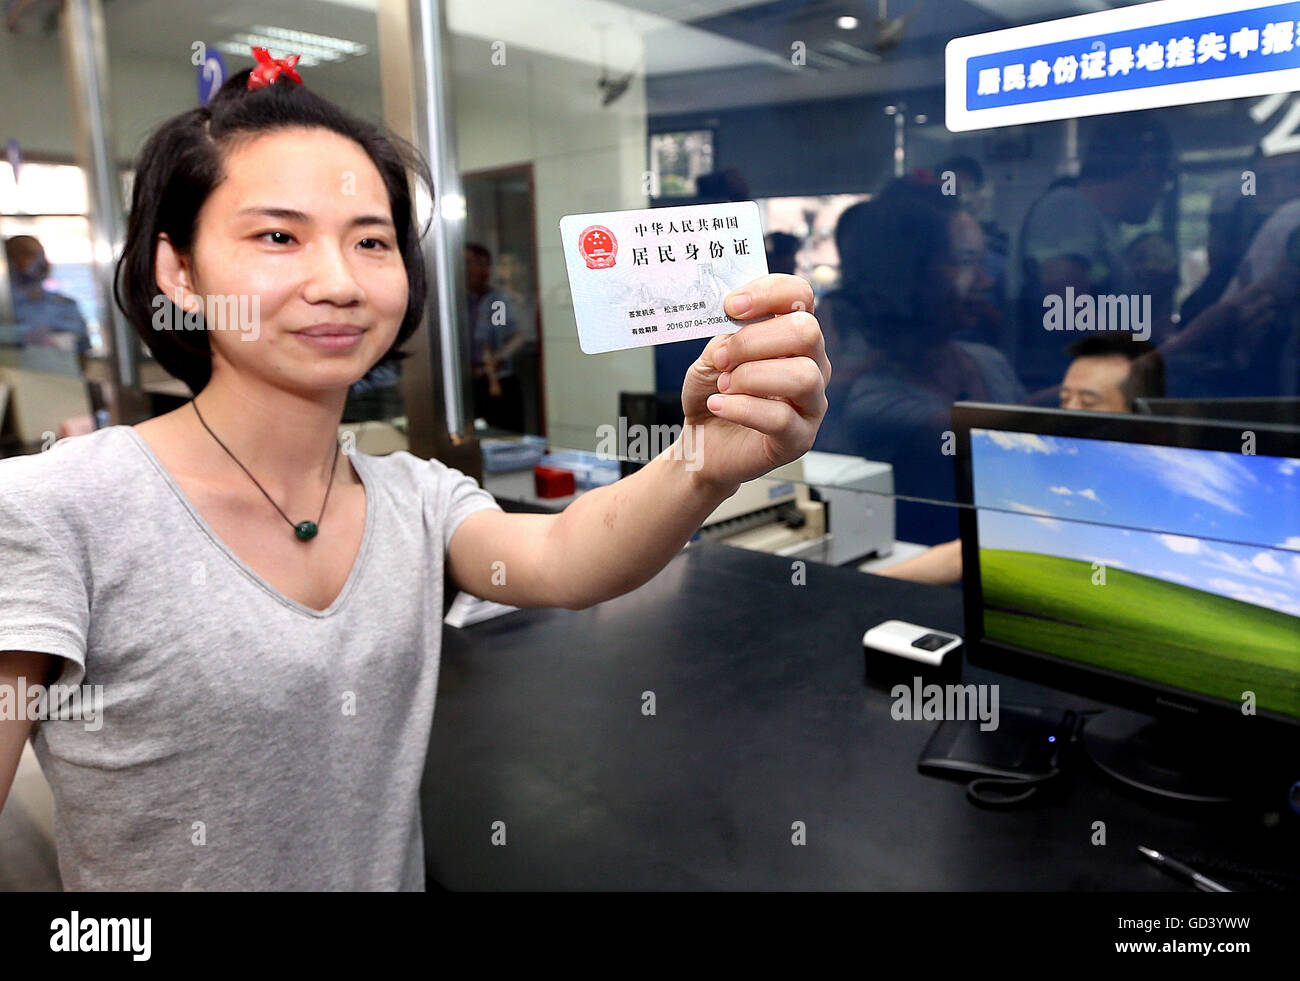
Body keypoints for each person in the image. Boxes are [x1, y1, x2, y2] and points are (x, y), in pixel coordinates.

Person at [0, 55, 830, 891]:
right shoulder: (51, 508)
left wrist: (702, 461)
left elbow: (567, 557)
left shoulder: (411, 492)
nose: (339, 281)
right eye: (278, 236)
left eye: (372, 241)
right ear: (178, 270)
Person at [814, 175, 1025, 546]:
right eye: (964, 262)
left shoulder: (987, 361)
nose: (985, 282)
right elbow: (998, 443)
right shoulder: (871, 398)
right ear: (908, 274)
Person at [876, 332, 1164, 586]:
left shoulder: (1164, 498)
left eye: (1088, 403)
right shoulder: (1049, 483)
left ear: (1138, 415)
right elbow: (965, 554)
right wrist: (864, 586)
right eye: (1064, 399)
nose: (1070, 413)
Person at [4, 235, 90, 354]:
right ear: (8, 260)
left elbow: (82, 353)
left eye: (41, 254)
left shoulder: (66, 305)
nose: (40, 261)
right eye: (28, 254)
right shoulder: (5, 307)